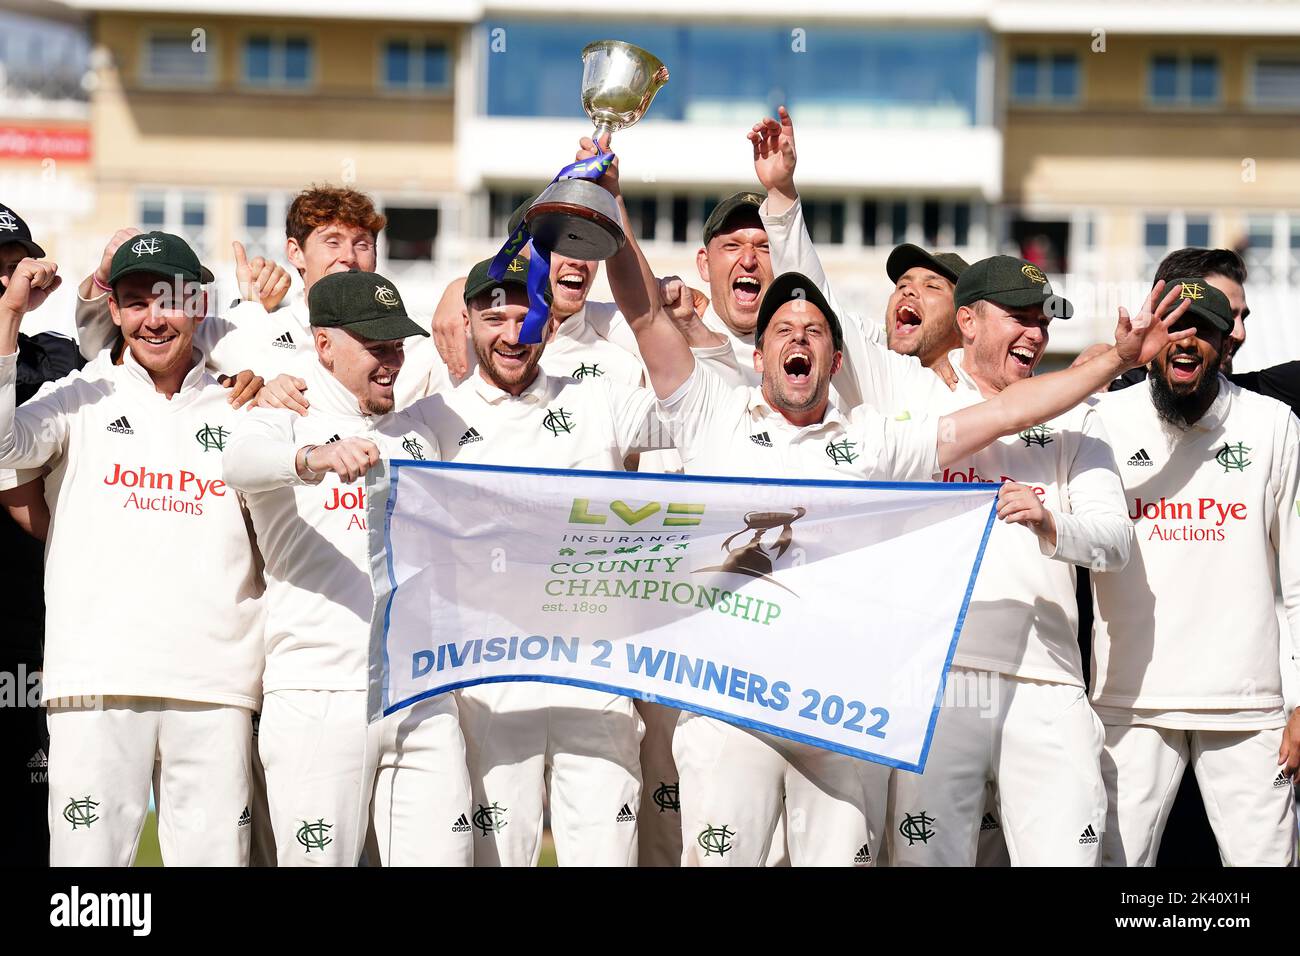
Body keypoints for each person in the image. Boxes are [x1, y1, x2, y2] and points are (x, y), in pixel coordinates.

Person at [593, 135, 1191, 866]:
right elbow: (646, 314)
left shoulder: (880, 441)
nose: (799, 337)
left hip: (840, 705)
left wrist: (1116, 359)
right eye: (783, 329)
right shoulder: (712, 411)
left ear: (837, 360)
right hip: (730, 699)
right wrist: (608, 200)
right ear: (759, 355)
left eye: (815, 329)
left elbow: (1009, 414)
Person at [412, 253, 688, 867]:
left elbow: (693, 417)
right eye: (494, 316)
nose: (513, 334)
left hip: (594, 680)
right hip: (489, 685)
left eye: (526, 315)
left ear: (548, 319)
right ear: (467, 320)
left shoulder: (602, 402)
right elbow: (352, 427)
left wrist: (678, 325)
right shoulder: (435, 419)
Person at [0, 235, 266, 866]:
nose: (153, 317)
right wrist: (9, 319)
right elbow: (4, 453)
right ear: (113, 311)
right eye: (135, 300)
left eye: (169, 299)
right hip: (96, 683)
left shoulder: (243, 400)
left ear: (198, 305)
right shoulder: (80, 394)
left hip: (215, 685)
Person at [887, 256, 1133, 867]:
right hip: (940, 679)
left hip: (1048, 681)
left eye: (1042, 321)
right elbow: (811, 308)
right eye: (1017, 318)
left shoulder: (1076, 411)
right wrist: (783, 201)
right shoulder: (914, 397)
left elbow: (1114, 541)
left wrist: (1053, 523)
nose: (1035, 334)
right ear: (966, 321)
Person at [223, 269, 471, 867]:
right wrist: (312, 459)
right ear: (325, 343)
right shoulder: (282, 413)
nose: (391, 361)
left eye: (397, 345)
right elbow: (239, 462)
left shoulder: (425, 423)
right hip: (318, 691)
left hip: (420, 693)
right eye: (375, 346)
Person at [1090, 278, 1300, 866]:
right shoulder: (1102, 417)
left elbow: (1298, 572)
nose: (1186, 340)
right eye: (1172, 325)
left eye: (1202, 328)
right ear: (1149, 337)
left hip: (1249, 702)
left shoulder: (1272, 423)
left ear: (1224, 342)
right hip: (1127, 699)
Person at [76, 186, 441, 409]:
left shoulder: (416, 347)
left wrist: (457, 295)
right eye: (332, 242)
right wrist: (104, 277)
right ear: (295, 253)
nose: (349, 256)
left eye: (362, 244)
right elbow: (106, 351)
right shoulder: (245, 328)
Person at [0, 202, 85, 867]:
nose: (7, 286)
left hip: (38, 630)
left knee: (37, 826)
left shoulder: (57, 362)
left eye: (13, 269)